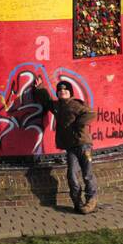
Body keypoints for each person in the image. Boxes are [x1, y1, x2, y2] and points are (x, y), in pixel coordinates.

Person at [34, 78, 98, 213]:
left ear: (70, 92)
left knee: (87, 174)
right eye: (60, 90)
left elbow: (91, 113)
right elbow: (47, 102)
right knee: (72, 174)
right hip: (71, 147)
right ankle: (77, 202)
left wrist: (77, 124)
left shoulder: (75, 104)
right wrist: (40, 87)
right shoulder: (57, 106)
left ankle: (91, 200)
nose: (62, 92)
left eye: (65, 90)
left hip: (83, 145)